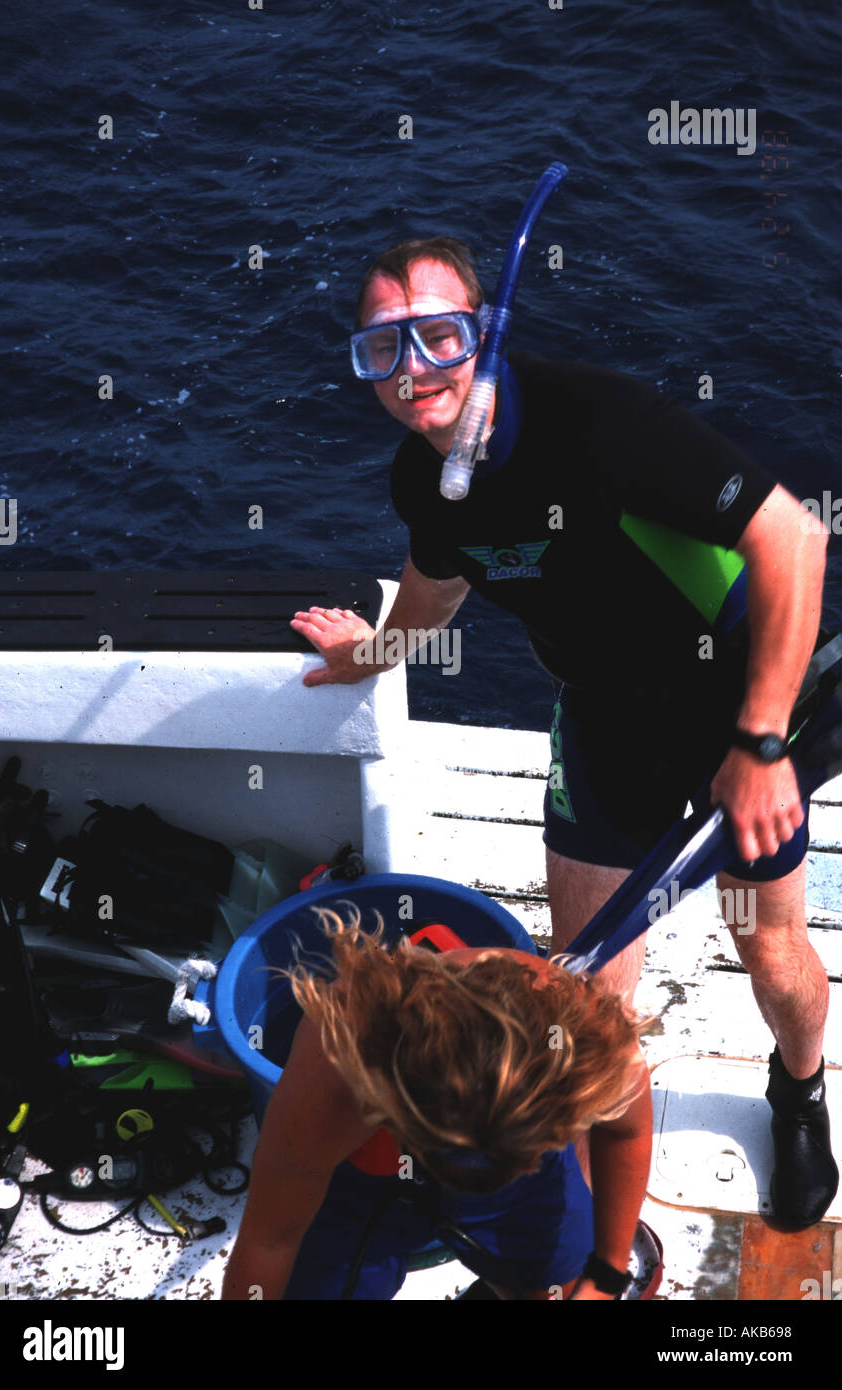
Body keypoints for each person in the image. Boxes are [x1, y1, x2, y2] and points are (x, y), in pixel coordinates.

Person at [290, 237, 838, 1232]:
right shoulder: (424, 482)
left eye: (438, 336)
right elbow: (434, 592)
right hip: (601, 720)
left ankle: (798, 1094)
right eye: (382, 350)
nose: (413, 371)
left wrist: (759, 745)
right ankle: (587, 1197)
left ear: (483, 331)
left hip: (734, 710)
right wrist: (368, 656)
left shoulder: (597, 421)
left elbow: (792, 537)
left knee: (768, 950)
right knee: (583, 978)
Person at [222, 908, 651, 1300]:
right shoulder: (334, 1057)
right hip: (362, 1175)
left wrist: (609, 1270)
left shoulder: (577, 1035)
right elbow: (269, 1240)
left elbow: (628, 1128)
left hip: (517, 1161)